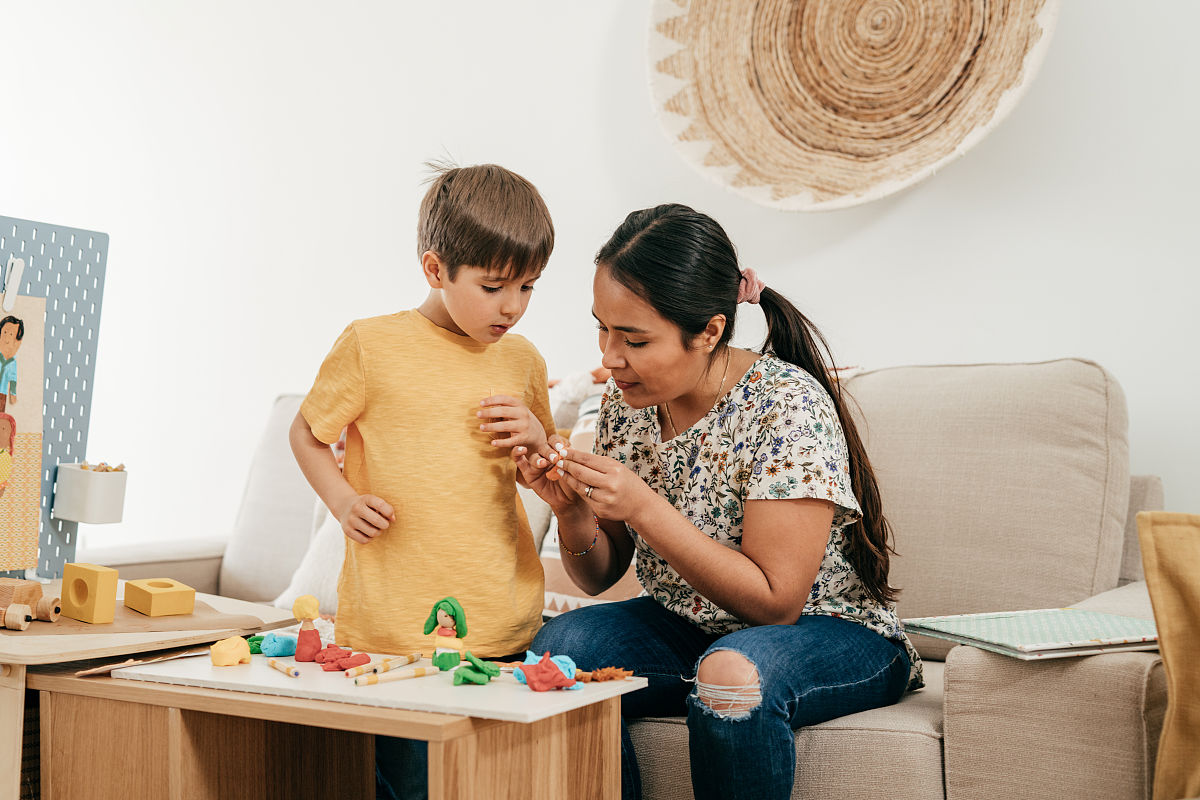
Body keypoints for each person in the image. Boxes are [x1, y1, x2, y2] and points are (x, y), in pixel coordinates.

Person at [515, 204, 924, 800]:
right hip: (693, 628)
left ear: (708, 331)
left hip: (831, 632)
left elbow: (777, 605)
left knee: (731, 673)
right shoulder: (626, 408)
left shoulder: (784, 406)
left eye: (634, 338)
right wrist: (573, 510)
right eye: (601, 328)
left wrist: (644, 506)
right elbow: (598, 576)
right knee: (563, 651)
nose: (609, 356)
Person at [289, 162, 558, 800]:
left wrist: (541, 441)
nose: (513, 307)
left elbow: (543, 466)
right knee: (413, 785)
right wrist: (343, 499)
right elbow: (306, 433)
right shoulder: (371, 345)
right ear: (436, 269)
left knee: (499, 784)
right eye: (495, 286)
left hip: (506, 622)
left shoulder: (522, 360)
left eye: (529, 286)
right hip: (394, 631)